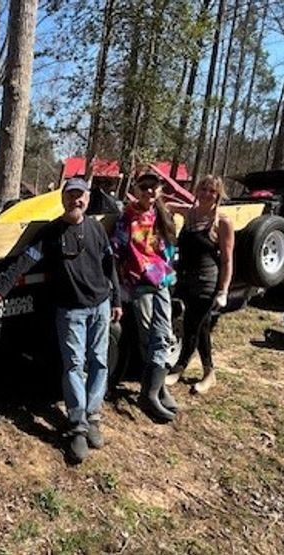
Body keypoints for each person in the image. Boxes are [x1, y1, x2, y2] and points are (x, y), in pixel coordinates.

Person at [0, 177, 122, 464]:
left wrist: (116, 299)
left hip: (101, 306)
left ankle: (93, 416)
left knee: (99, 361)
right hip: (70, 311)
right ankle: (77, 424)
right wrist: (0, 291)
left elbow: (109, 265)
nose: (75, 201)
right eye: (70, 196)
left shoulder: (96, 228)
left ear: (87, 198)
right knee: (73, 365)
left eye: (80, 196)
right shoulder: (50, 232)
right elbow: (24, 262)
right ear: (63, 199)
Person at [112, 173, 179, 421]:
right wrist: (118, 289)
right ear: (136, 189)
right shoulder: (127, 218)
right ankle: (151, 392)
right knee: (149, 335)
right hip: (139, 284)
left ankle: (155, 389)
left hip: (161, 280)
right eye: (144, 188)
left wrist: (170, 273)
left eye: (154, 188)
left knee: (164, 332)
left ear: (159, 191)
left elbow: (168, 245)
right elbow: (117, 252)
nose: (149, 193)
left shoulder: (162, 215)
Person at [166, 175, 234, 394]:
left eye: (212, 191)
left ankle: (180, 366)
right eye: (203, 189)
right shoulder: (190, 213)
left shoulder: (222, 222)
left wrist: (223, 290)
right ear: (197, 191)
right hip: (185, 279)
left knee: (192, 326)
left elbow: (227, 259)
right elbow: (167, 204)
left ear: (218, 195)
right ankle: (209, 373)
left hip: (207, 281)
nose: (207, 194)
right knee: (201, 326)